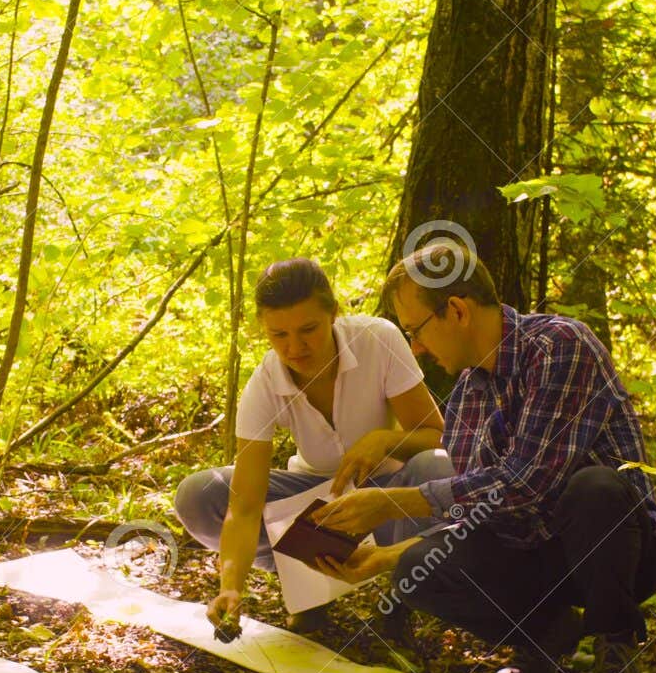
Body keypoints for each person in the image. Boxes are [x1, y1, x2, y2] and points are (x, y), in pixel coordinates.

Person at [310, 245, 656, 673]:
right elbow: (476, 513)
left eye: (416, 331)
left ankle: (616, 645)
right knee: (420, 568)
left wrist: (394, 503)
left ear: (457, 310)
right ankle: (549, 636)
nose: (416, 348)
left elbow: (528, 484)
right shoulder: (466, 397)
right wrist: (385, 559)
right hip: (535, 552)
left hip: (621, 549)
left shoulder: (560, 346)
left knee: (594, 488)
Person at [173, 258, 454, 635]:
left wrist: (386, 441)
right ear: (263, 330)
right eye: (279, 335)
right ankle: (309, 584)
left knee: (439, 468)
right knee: (198, 495)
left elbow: (439, 437)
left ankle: (401, 592)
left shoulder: (377, 339)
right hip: (314, 514)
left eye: (308, 329)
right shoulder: (265, 384)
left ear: (334, 313)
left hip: (388, 503)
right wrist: (230, 587)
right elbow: (244, 507)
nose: (295, 347)